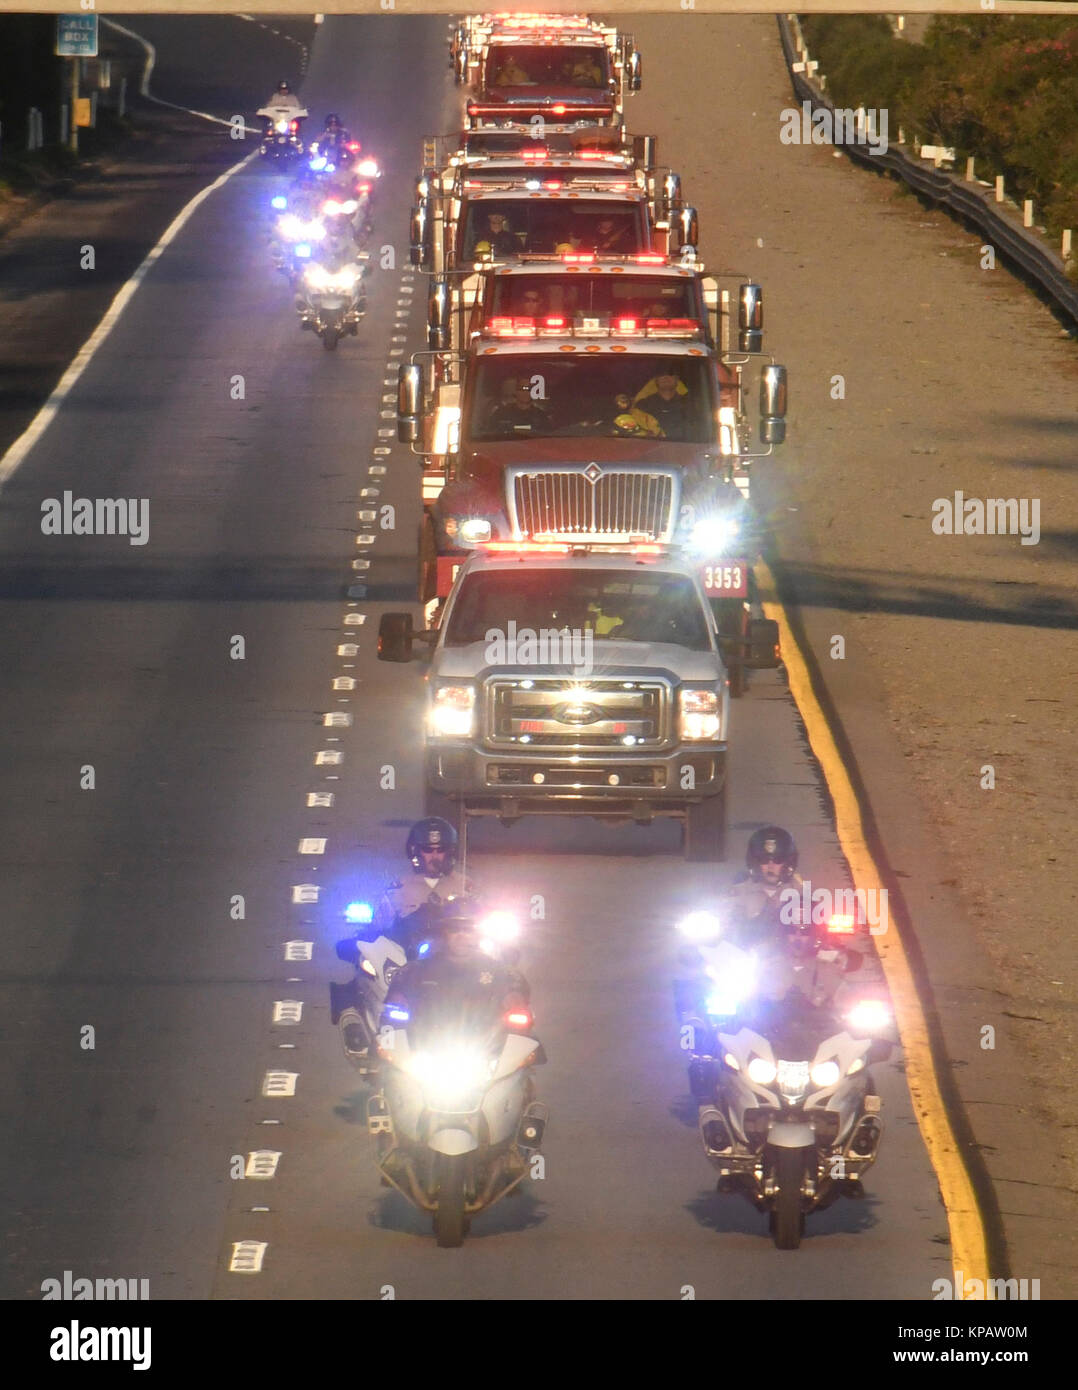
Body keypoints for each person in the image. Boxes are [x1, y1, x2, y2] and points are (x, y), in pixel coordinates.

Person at [384, 910, 531, 1030]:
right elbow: (398, 994)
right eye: (454, 930)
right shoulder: (418, 969)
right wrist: (398, 1000)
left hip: (485, 1046)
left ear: (476, 935)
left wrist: (515, 997)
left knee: (524, 1053)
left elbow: (515, 983)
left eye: (468, 930)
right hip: (425, 1044)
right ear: (444, 934)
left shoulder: (498, 971)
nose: (461, 936)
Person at [633, 370, 692, 440]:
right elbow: (634, 429)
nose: (666, 377)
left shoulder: (689, 404)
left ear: (677, 380)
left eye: (671, 374)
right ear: (656, 381)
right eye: (661, 375)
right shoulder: (643, 405)